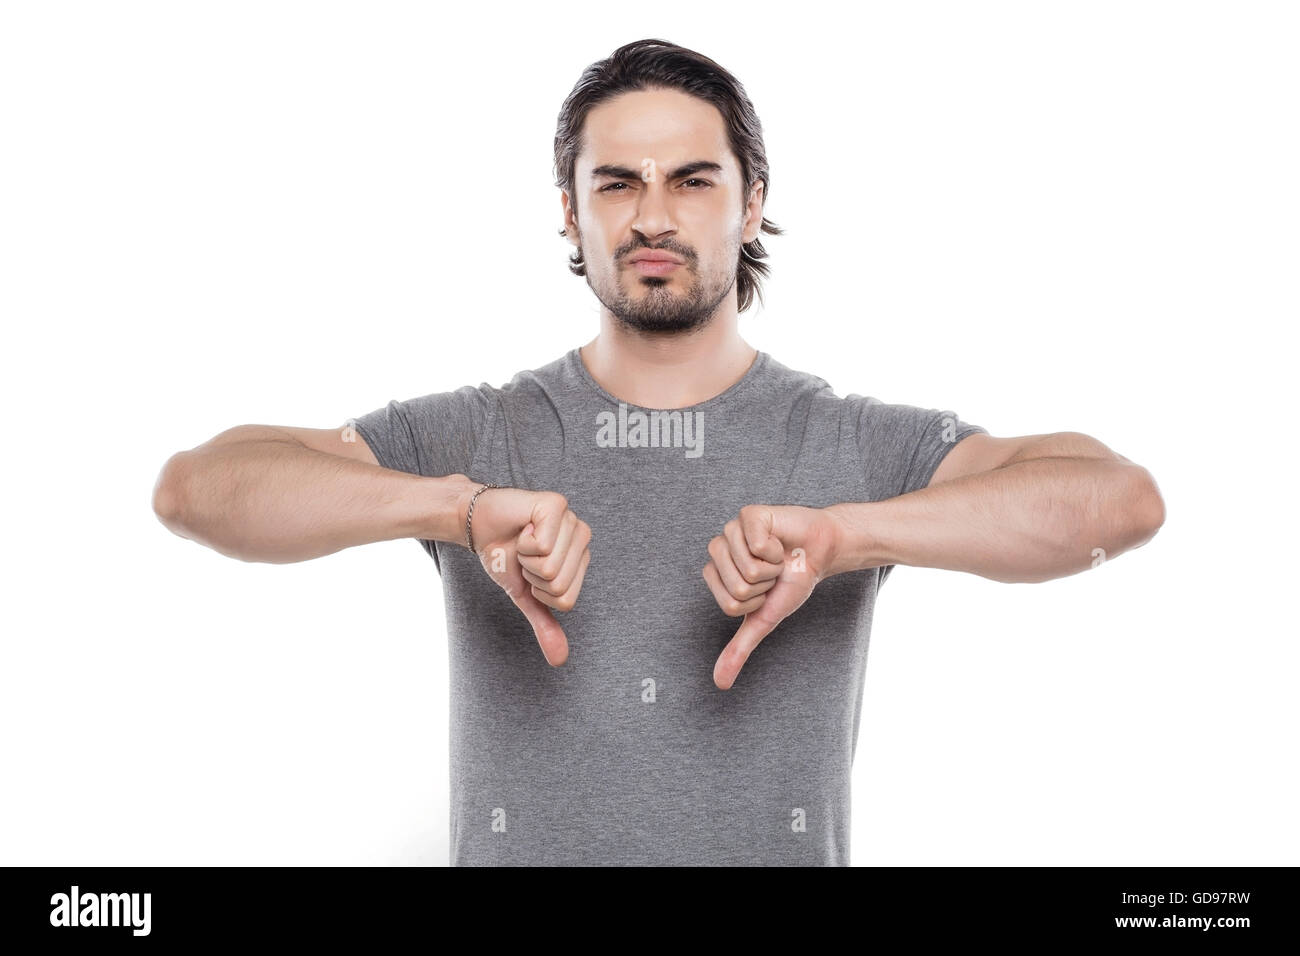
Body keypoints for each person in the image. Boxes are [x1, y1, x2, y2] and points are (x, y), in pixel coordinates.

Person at [151, 38, 1165, 866]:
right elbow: (198, 491)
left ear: (751, 199)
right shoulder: (481, 433)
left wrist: (846, 533)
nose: (650, 216)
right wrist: (451, 510)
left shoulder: (849, 440)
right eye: (615, 183)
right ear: (569, 209)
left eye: (691, 180)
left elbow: (1116, 505)